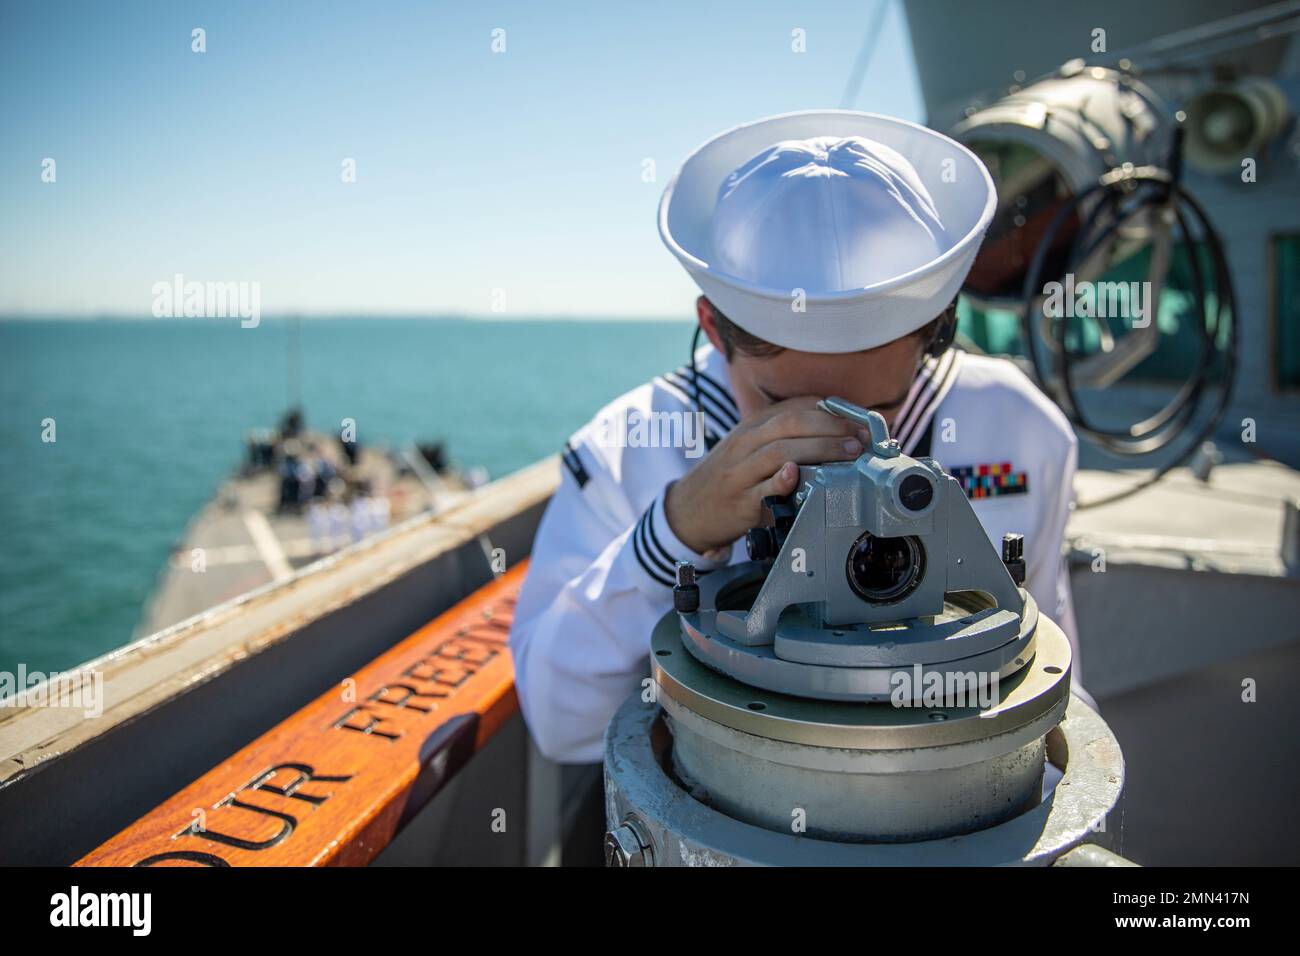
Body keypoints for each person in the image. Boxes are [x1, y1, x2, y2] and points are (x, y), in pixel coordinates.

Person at [509, 112, 1080, 764]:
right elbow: (561, 724)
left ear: (937, 332)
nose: (840, 438)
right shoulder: (625, 453)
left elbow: (1051, 678)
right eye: (781, 404)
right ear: (714, 328)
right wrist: (671, 533)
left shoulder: (1022, 429)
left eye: (880, 405)